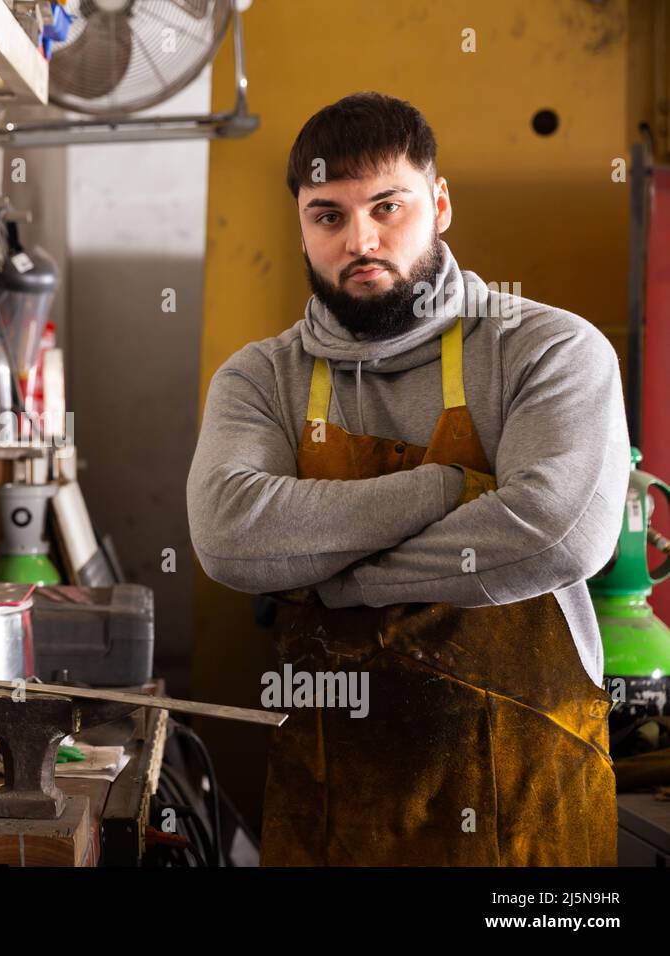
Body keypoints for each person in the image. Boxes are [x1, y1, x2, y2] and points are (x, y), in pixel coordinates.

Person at [187, 91, 629, 866]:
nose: (361, 239)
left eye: (387, 207)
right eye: (328, 215)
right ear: (301, 223)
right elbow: (229, 536)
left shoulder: (549, 351)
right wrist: (445, 490)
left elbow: (557, 532)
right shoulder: (261, 378)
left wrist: (335, 573)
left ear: (441, 203)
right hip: (333, 808)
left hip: (526, 818)